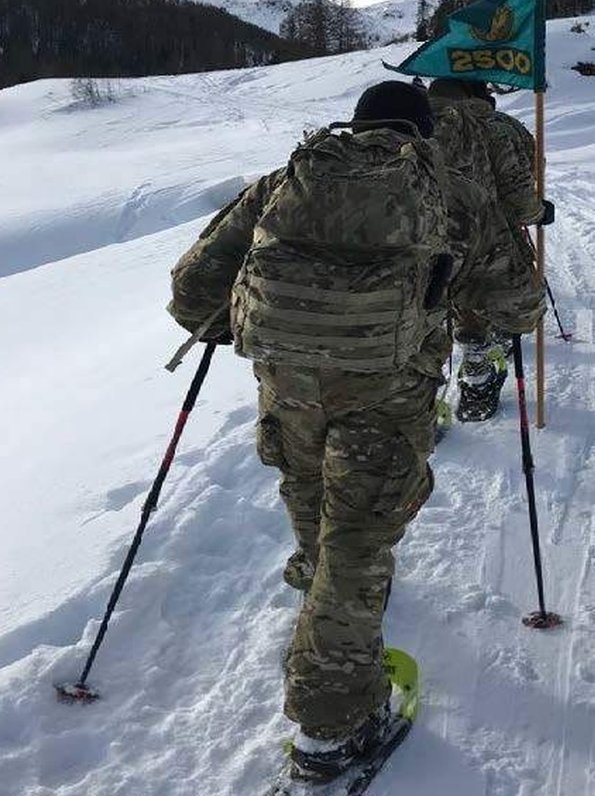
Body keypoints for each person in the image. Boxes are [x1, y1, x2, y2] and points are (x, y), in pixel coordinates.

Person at [167, 81, 459, 784]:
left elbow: (191, 287)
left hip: (287, 384)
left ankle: (319, 587)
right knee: (358, 541)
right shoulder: (442, 192)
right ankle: (332, 731)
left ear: (352, 126)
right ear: (420, 133)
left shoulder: (287, 178)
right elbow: (506, 293)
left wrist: (220, 320)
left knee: (307, 486)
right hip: (385, 393)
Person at [426, 77, 552, 422]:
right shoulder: (498, 127)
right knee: (478, 303)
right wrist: (539, 212)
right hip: (483, 236)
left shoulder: (409, 123)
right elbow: (520, 195)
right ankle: (477, 381)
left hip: (415, 236)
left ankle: (424, 402)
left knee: (426, 311)